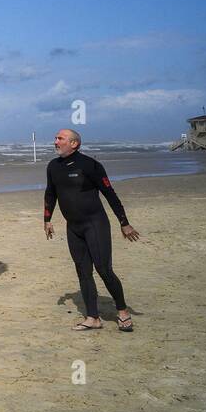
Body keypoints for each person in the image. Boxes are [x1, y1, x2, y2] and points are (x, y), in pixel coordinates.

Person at [43, 129, 139, 332]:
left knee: (104, 269)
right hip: (74, 227)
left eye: (60, 138)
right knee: (83, 271)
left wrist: (124, 222)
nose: (55, 142)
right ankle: (93, 317)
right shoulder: (53, 166)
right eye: (56, 138)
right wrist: (47, 219)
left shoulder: (90, 165)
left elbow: (109, 193)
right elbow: (50, 193)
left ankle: (122, 312)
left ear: (74, 143)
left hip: (95, 224)